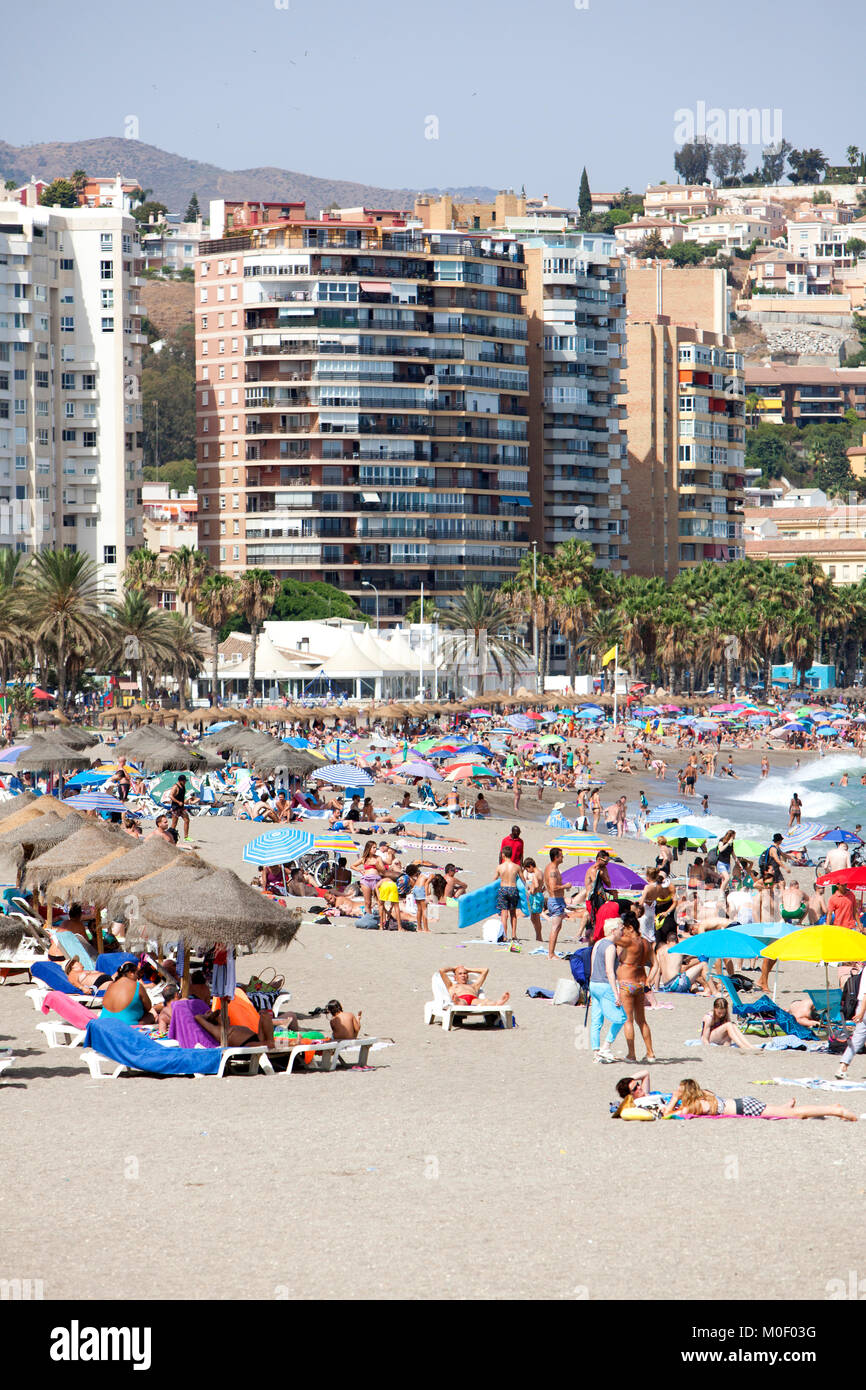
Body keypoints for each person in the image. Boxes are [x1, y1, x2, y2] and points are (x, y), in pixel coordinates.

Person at [662, 1078, 856, 1122]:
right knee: (781, 1111)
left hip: (747, 1108)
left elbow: (667, 1116)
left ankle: (835, 1109)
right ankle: (781, 1108)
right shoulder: (704, 1095)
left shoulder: (694, 1105)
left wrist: (674, 1099)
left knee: (798, 1114)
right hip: (745, 1102)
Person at [616, 914, 655, 1062]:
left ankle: (632, 1054)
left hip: (627, 984)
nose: (623, 931)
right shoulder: (646, 943)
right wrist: (649, 981)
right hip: (640, 983)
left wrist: (616, 930)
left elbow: (611, 938)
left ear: (630, 928)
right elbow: (656, 965)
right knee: (642, 1021)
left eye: (624, 928)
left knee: (628, 1021)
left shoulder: (629, 941)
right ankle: (650, 1053)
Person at [589, 919, 625, 1064]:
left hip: (594, 984)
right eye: (621, 929)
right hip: (604, 985)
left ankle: (596, 1053)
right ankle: (606, 1047)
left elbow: (592, 966)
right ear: (613, 930)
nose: (622, 931)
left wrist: (590, 987)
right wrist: (616, 993)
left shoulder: (598, 943)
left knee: (596, 1020)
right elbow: (610, 971)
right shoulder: (610, 947)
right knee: (621, 1017)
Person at [836, 966, 866, 1080]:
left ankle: (843, 1066)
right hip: (863, 1007)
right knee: (858, 1039)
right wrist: (862, 1012)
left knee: (857, 1039)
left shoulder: (864, 970)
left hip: (860, 1006)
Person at [439, 965, 510, 1008]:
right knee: (462, 1003)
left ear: (468, 976)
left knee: (486, 1001)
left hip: (474, 1000)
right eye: (460, 974)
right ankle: (457, 1001)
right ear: (455, 977)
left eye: (465, 973)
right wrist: (454, 968)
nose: (463, 975)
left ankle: (498, 1002)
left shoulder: (474, 986)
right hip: (461, 998)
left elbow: (485, 970)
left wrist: (468, 969)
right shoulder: (452, 985)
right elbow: (441, 971)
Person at [496, 847, 524, 943]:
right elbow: (523, 879)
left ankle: (504, 936)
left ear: (503, 855)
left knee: (504, 914)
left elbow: (495, 879)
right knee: (513, 914)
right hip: (513, 889)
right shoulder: (516, 867)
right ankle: (514, 935)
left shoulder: (500, 867)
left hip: (503, 889)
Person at [543, 847, 567, 960]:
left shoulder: (552, 867)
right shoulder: (552, 870)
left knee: (558, 927)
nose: (563, 857)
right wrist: (565, 886)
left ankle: (551, 953)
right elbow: (552, 887)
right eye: (561, 855)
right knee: (555, 927)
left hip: (557, 900)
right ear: (556, 857)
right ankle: (551, 954)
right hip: (555, 901)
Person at [523, 858, 544, 942]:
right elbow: (543, 885)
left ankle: (539, 937)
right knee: (534, 917)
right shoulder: (540, 872)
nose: (528, 871)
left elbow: (536, 885)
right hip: (539, 895)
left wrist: (532, 891)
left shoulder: (535, 874)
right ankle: (538, 936)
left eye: (527, 869)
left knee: (536, 918)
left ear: (531, 866)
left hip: (535, 896)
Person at [167, 774, 191, 841]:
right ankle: (169, 836)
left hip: (181, 807)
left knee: (187, 820)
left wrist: (184, 801)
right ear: (180, 781)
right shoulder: (175, 787)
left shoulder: (183, 786)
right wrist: (178, 802)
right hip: (175, 807)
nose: (185, 782)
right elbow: (171, 796)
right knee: (174, 823)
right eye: (184, 781)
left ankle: (186, 837)